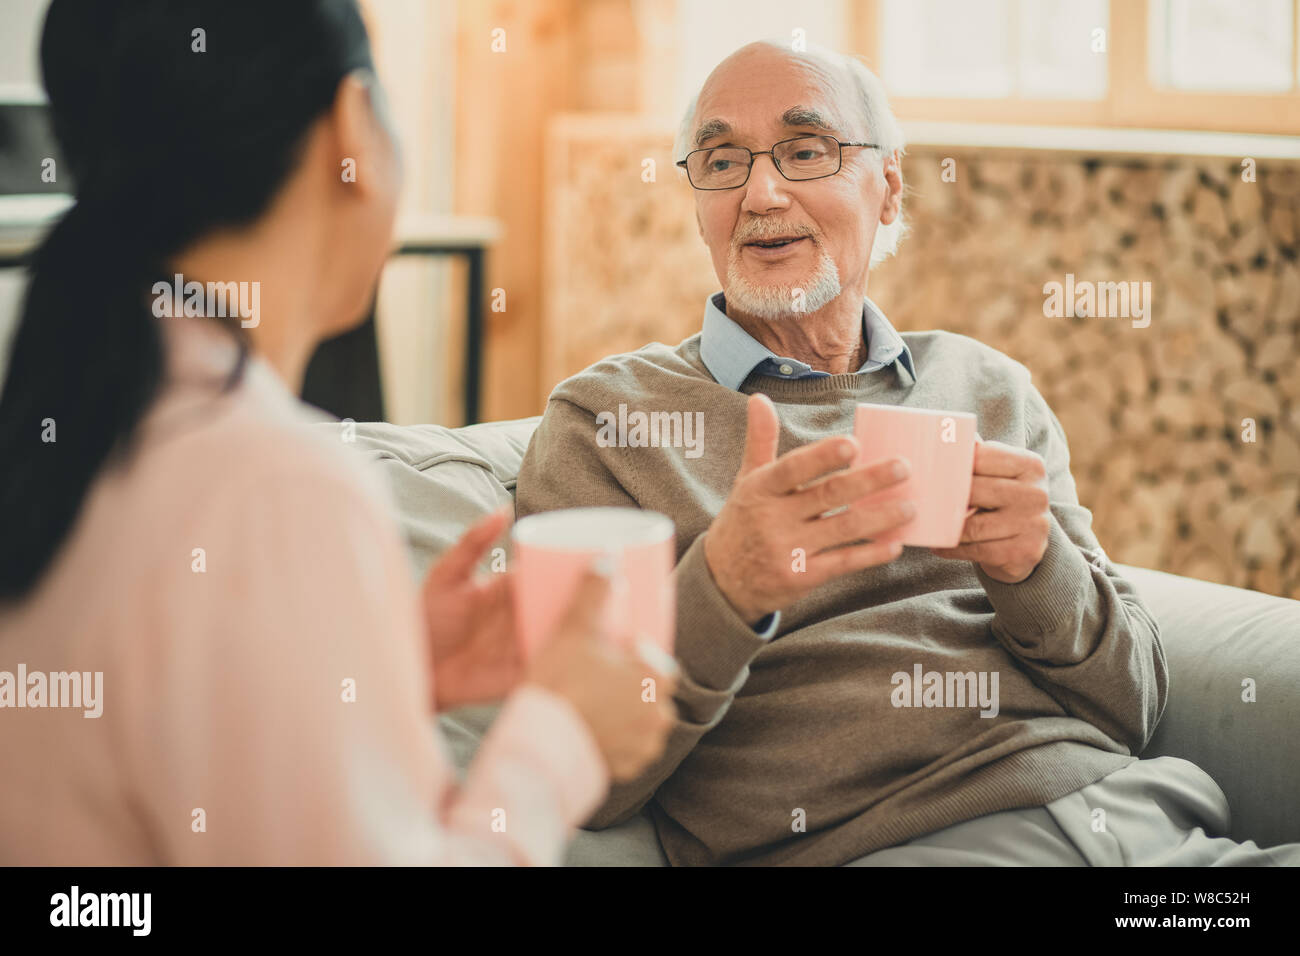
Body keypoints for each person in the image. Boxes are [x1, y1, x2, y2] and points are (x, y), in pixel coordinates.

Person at [515, 40, 1299, 866]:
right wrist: (724, 587)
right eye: (721, 160)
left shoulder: (987, 385)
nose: (761, 192)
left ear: (888, 187)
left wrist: (1038, 569)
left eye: (806, 150)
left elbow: (1134, 701)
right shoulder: (607, 422)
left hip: (1141, 829)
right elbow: (572, 770)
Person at [0, 0, 673, 866]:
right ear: (353, 126)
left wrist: (377, 675)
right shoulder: (276, 483)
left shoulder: (77, 425)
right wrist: (562, 733)